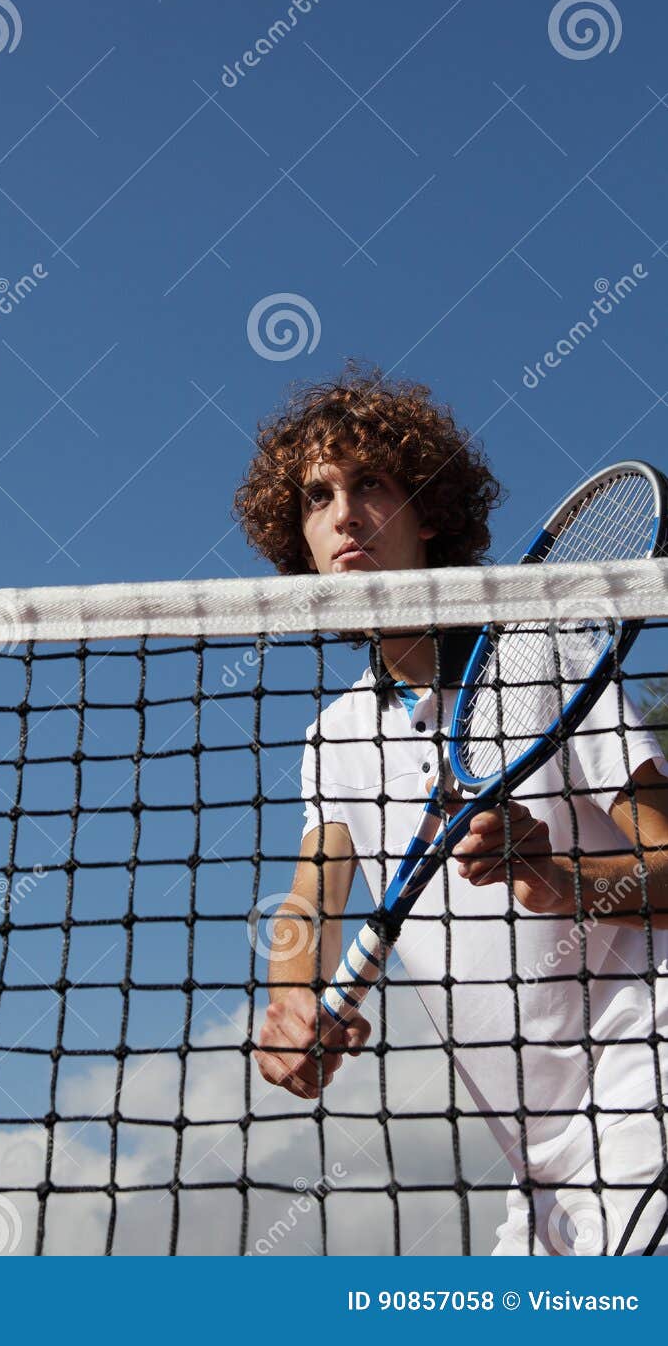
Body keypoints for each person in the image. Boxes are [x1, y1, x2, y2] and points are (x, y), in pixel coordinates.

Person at [234, 365, 668, 1255]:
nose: (343, 514)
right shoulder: (334, 735)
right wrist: (288, 1004)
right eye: (317, 497)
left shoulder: (543, 653)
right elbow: (312, 903)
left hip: (645, 1072)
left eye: (369, 485)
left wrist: (559, 881)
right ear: (300, 540)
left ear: (427, 511)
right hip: (531, 1153)